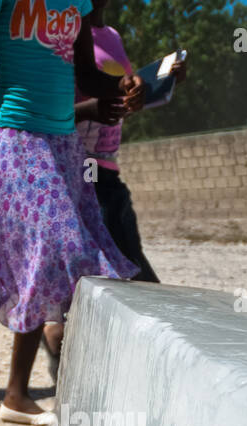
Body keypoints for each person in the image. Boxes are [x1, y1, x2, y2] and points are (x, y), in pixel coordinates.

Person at [0, 0, 142, 426]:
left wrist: (126, 86)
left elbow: (88, 75)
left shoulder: (78, 3)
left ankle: (20, 393)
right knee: (63, 249)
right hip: (18, 142)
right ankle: (26, 387)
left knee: (55, 260)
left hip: (64, 146)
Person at [74, 0, 186, 285]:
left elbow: (123, 96)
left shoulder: (112, 36)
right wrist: (87, 110)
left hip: (107, 163)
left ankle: (57, 326)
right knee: (128, 269)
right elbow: (52, 101)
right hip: (79, 165)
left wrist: (162, 83)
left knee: (115, 266)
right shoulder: (67, 31)